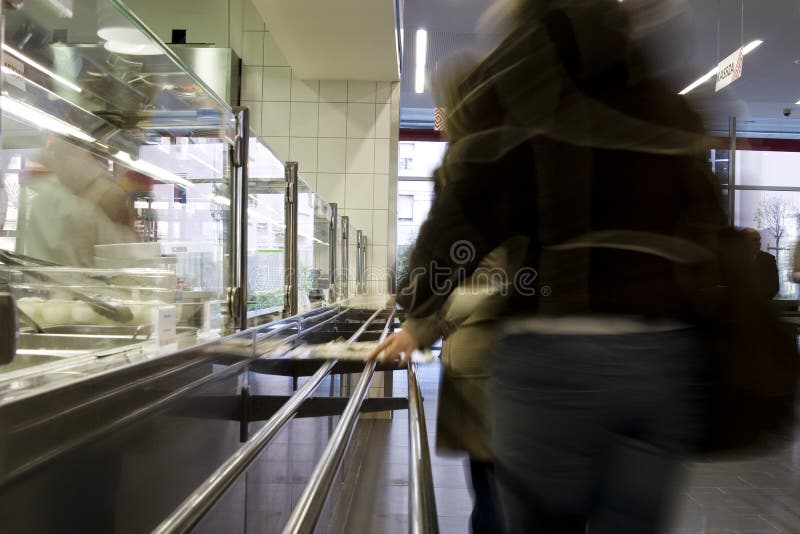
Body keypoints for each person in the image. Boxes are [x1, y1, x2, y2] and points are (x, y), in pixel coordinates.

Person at [369, 0, 723, 532]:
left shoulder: (524, 98)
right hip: (658, 358)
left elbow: (456, 227)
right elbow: (711, 233)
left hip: (553, 353)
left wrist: (419, 311)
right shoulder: (665, 105)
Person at [742, 228, 779, 300]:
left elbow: (774, 287)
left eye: (759, 239)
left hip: (762, 305)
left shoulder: (768, 260)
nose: (759, 243)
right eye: (754, 240)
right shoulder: (735, 259)